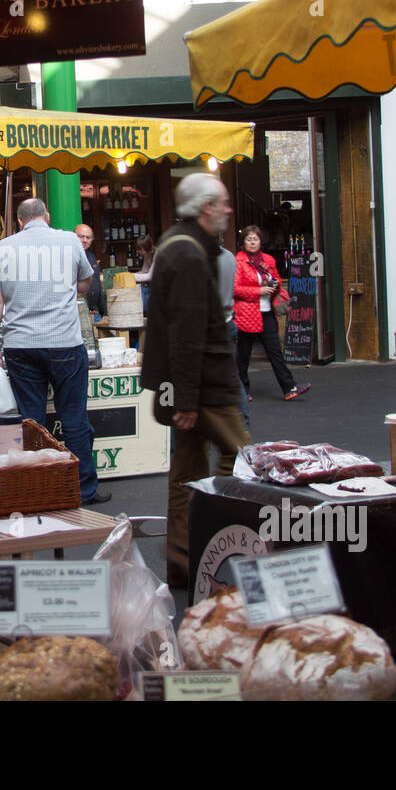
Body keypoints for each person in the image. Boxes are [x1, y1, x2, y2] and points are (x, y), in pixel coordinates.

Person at [141, 173, 250, 588]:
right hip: (205, 385)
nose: (227, 210)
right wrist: (186, 399)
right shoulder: (188, 255)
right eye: (222, 203)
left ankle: (183, 558)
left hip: (192, 385)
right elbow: (187, 335)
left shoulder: (176, 244)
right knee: (241, 461)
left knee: (187, 471)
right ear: (206, 207)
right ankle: (224, 546)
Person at [0, 199, 105, 504]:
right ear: (47, 217)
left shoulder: (3, 248)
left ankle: (38, 487)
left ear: (19, 220)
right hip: (65, 342)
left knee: (33, 421)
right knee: (74, 418)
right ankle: (83, 489)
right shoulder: (69, 240)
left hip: (21, 346)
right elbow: (84, 284)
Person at [234, 224, 310, 401]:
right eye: (249, 239)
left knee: (275, 352)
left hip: (267, 312)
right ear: (243, 242)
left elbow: (275, 277)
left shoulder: (268, 260)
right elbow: (235, 289)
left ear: (261, 241)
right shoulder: (239, 261)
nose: (252, 243)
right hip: (247, 314)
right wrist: (258, 291)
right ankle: (241, 391)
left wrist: (274, 285)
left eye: (256, 239)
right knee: (243, 356)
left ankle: (289, 387)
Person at [216, 245, 252, 430]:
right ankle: (243, 426)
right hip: (228, 322)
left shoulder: (202, 257)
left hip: (213, 327)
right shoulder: (229, 256)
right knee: (232, 378)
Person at [74, 223, 107, 320]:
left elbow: (97, 283)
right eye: (81, 237)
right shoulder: (69, 256)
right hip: (78, 312)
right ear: (73, 237)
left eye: (88, 238)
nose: (84, 240)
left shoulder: (91, 256)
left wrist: (103, 312)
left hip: (95, 312)